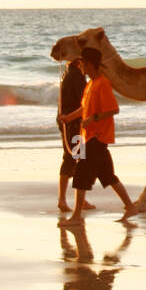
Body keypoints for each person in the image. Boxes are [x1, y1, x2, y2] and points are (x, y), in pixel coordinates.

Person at [61, 47, 137, 227]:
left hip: (98, 136)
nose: (81, 68)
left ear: (90, 64)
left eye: (83, 64)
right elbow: (83, 109)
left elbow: (113, 109)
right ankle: (131, 207)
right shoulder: (90, 84)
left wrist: (93, 118)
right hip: (89, 137)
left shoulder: (102, 83)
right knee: (108, 176)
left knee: (80, 173)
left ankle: (77, 216)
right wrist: (68, 117)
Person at [56, 57, 93, 213]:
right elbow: (84, 102)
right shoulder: (76, 75)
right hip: (74, 123)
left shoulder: (68, 73)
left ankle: (78, 199)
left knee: (75, 159)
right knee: (74, 160)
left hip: (67, 121)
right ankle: (63, 200)